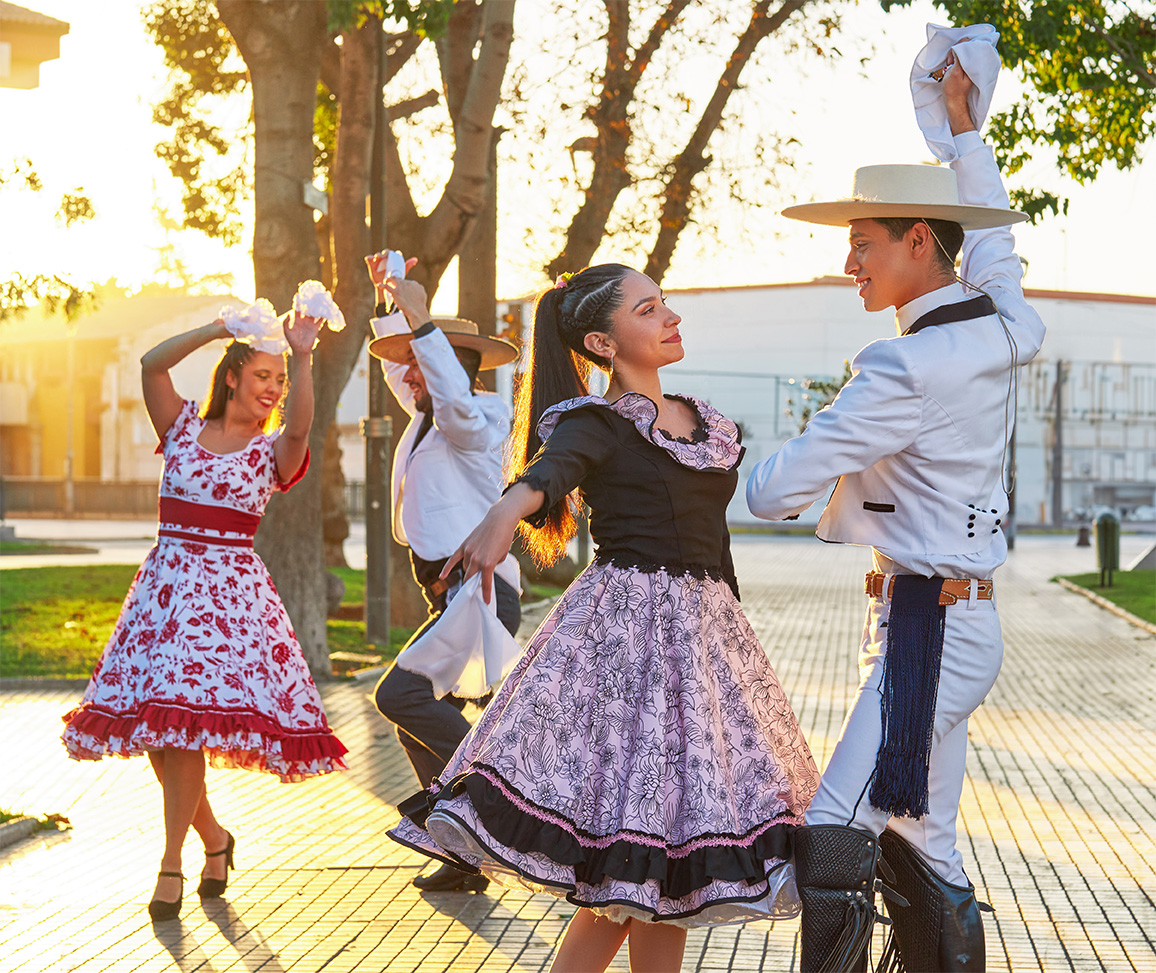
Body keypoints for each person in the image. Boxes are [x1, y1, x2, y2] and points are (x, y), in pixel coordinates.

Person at [388, 263, 820, 972]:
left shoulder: (705, 422)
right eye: (648, 309)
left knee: (657, 880)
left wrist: (731, 652)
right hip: (628, 646)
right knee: (642, 869)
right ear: (601, 342)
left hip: (706, 651)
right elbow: (551, 472)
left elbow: (716, 549)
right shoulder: (596, 422)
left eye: (664, 303)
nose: (670, 316)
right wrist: (505, 511)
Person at [745, 37, 1046, 972]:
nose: (849, 262)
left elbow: (771, 492)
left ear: (920, 240)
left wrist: (732, 461)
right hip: (941, 622)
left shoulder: (901, 365)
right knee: (924, 843)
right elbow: (992, 241)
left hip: (930, 634)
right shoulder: (1004, 323)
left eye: (863, 243)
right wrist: (963, 130)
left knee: (833, 833)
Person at [61, 301, 349, 922]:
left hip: (227, 606)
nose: (273, 389)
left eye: (279, 380)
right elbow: (151, 365)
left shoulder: (271, 452)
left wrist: (302, 356)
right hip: (164, 596)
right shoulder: (182, 426)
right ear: (232, 377)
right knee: (159, 736)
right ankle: (215, 839)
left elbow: (301, 429)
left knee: (181, 729)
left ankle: (171, 863)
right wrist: (218, 328)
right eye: (263, 376)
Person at [365, 251, 522, 893]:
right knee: (415, 717)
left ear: (448, 368)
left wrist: (420, 317)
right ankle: (461, 853)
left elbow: (452, 401)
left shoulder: (479, 419)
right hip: (451, 597)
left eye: (418, 362)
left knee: (399, 697)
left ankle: (493, 799)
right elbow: (406, 374)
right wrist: (390, 302)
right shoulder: (426, 421)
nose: (407, 374)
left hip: (478, 592)